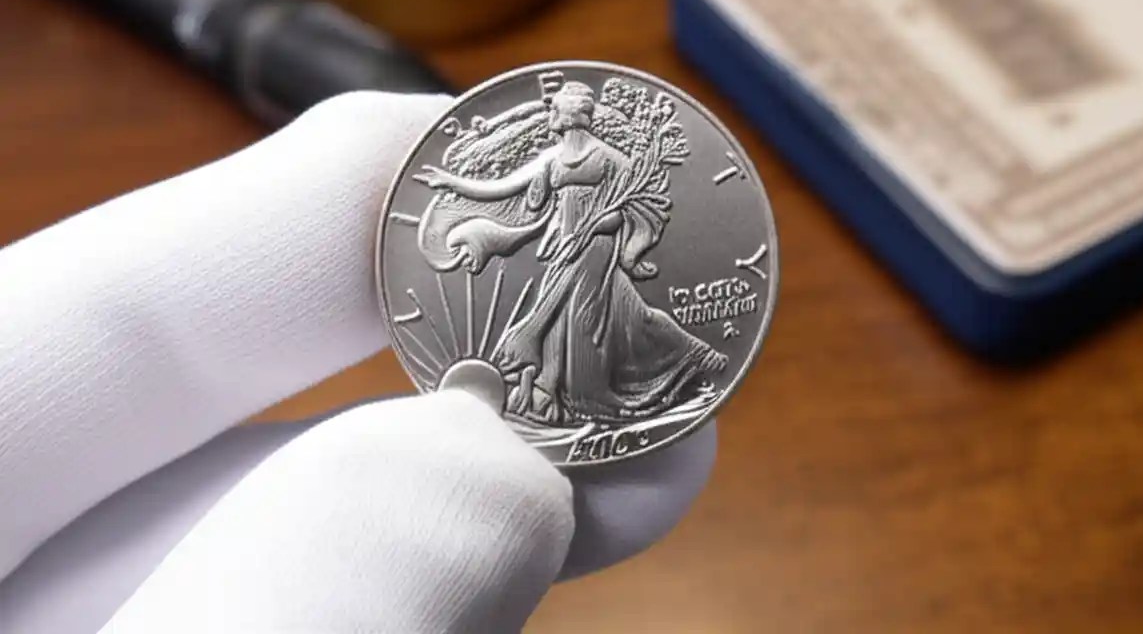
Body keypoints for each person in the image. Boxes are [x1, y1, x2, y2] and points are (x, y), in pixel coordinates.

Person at [0, 93, 717, 633]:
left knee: (583, 326)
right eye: (558, 118)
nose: (561, 126)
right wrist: (464, 195)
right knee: (551, 333)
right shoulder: (556, 160)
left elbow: (641, 211)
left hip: (588, 254)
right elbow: (507, 192)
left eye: (567, 116)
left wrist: (616, 238)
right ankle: (566, 384)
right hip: (554, 247)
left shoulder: (611, 160)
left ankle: (597, 377)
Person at [418, 82, 727, 425]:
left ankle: (585, 394)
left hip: (595, 248)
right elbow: (499, 189)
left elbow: (639, 204)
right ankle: (554, 391)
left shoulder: (610, 159)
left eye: (555, 109)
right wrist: (452, 182)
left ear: (572, 114)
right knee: (610, 318)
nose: (549, 114)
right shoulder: (551, 159)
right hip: (562, 248)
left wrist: (598, 225)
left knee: (581, 319)